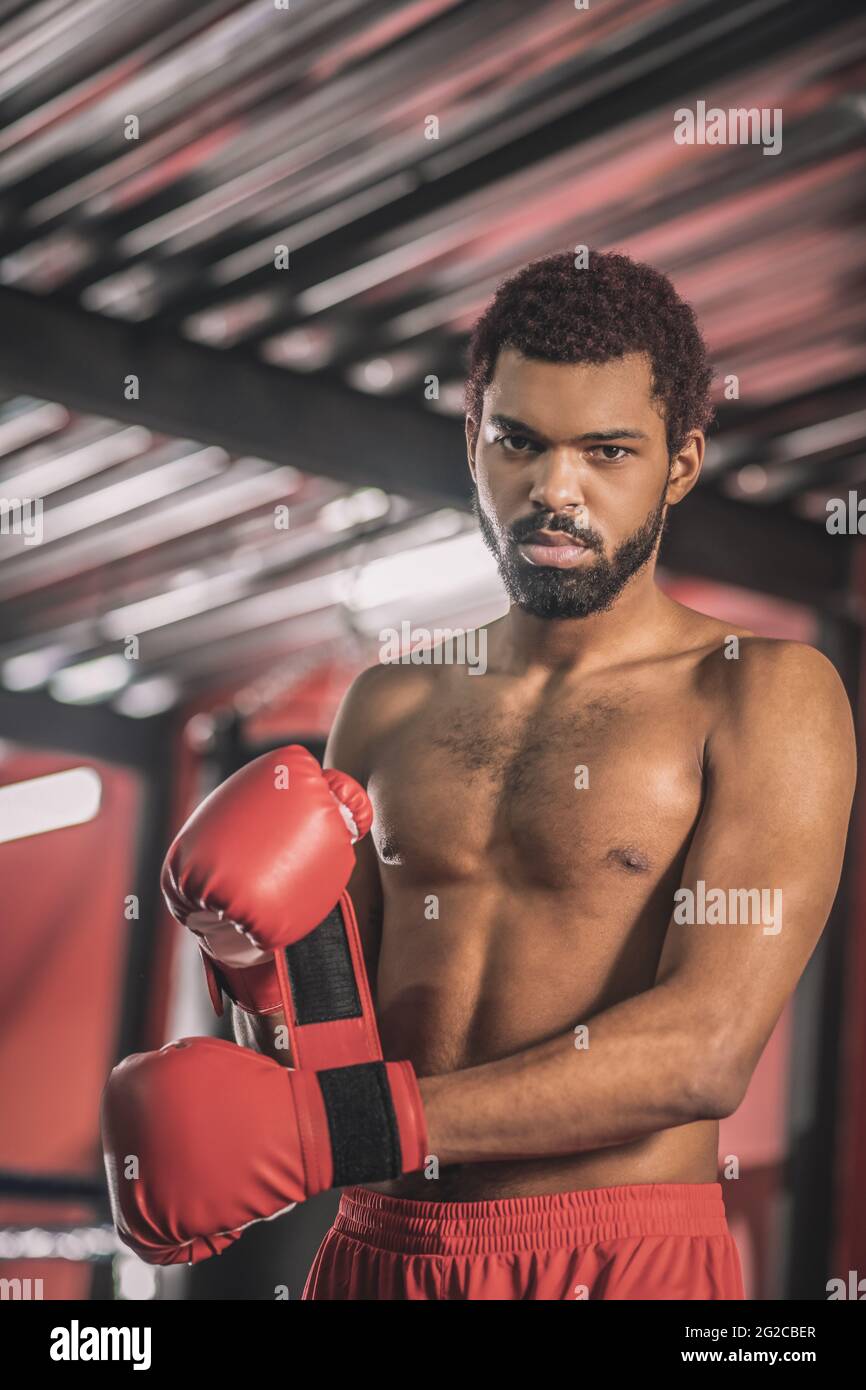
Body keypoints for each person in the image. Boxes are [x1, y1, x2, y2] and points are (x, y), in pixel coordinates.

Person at [103, 250, 856, 1300]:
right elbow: (323, 1051)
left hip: (615, 1256)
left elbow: (702, 1050)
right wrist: (252, 969)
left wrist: (351, 1126)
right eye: (519, 442)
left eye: (606, 451)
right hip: (378, 1247)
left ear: (679, 463)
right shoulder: (389, 701)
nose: (555, 490)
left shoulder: (758, 693)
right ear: (472, 442)